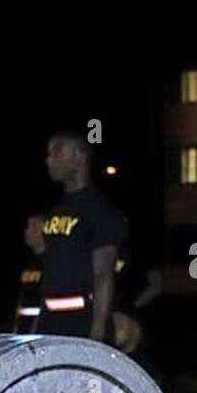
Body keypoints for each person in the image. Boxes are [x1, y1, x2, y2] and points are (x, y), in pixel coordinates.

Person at [36, 132, 127, 341]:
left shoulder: (100, 211)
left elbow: (103, 274)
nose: (49, 160)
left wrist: (98, 328)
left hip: (81, 318)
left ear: (78, 156)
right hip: (50, 318)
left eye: (57, 152)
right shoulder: (57, 210)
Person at [14, 212, 44, 333]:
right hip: (23, 329)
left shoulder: (51, 262)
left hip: (41, 330)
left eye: (34, 226)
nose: (27, 231)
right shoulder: (29, 262)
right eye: (28, 227)